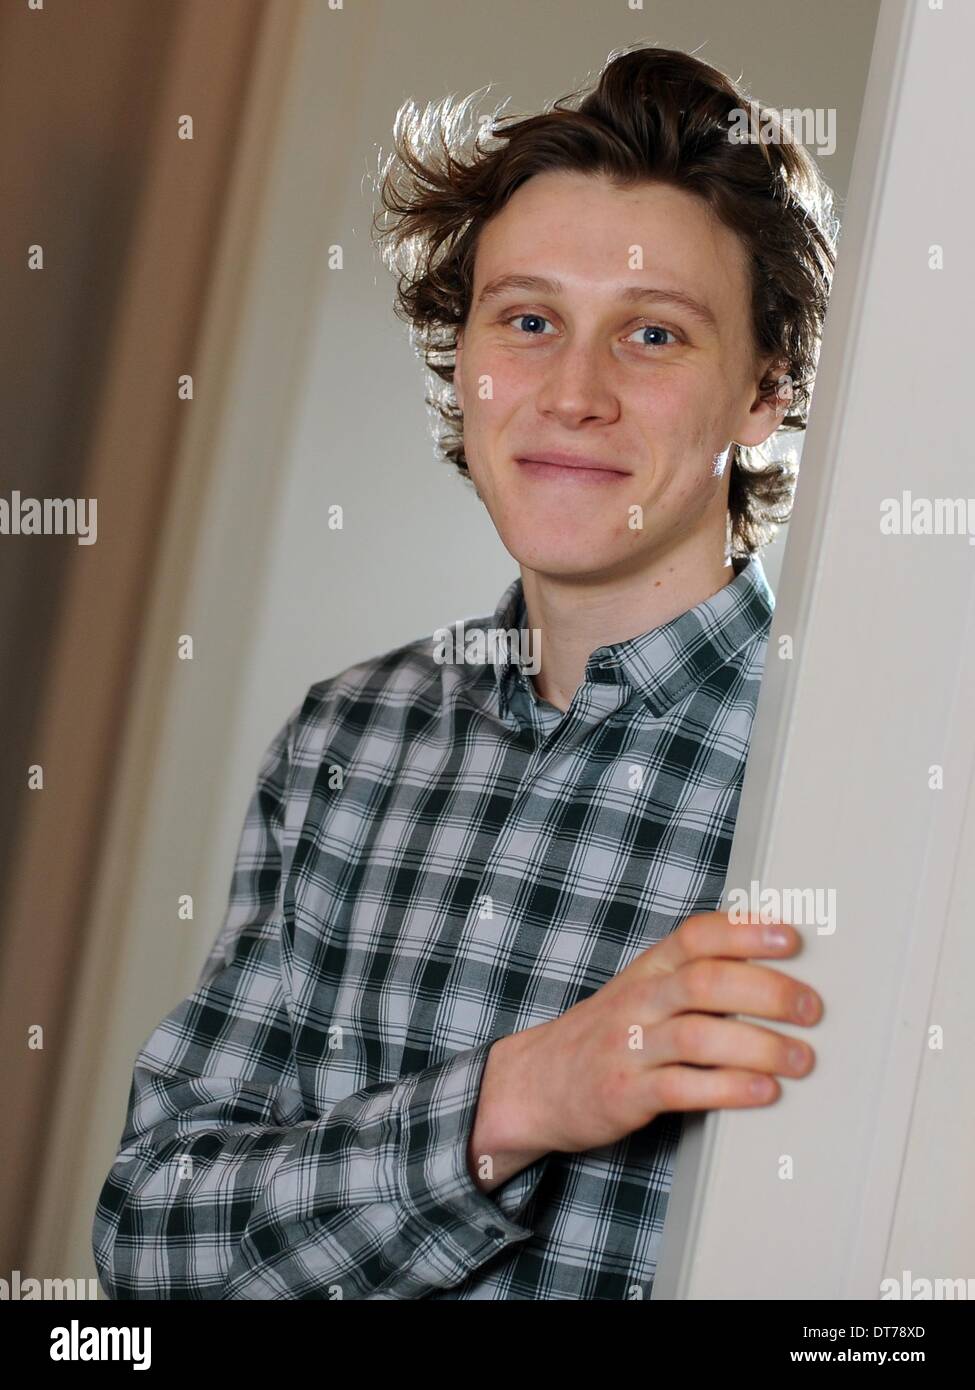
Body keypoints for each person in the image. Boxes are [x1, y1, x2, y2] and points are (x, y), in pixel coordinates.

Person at [92, 42, 837, 1300]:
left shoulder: (846, 767)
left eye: (653, 334)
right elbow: (150, 1239)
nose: (574, 393)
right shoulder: (346, 739)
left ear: (764, 389)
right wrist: (517, 1100)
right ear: (464, 353)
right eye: (530, 320)